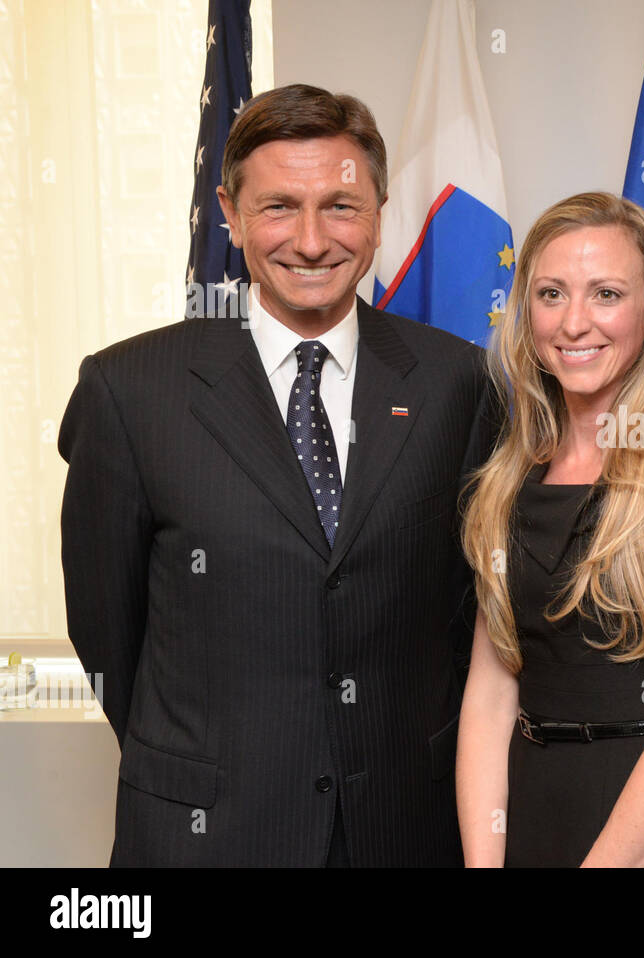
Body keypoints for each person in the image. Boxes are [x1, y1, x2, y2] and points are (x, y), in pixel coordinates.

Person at [58, 84, 497, 866]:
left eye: (340, 206)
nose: (311, 239)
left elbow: (468, 619)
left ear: (380, 212)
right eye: (278, 207)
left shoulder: (456, 382)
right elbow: (108, 635)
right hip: (207, 835)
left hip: (402, 829)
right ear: (228, 214)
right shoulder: (130, 391)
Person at [455, 192, 644, 867]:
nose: (575, 322)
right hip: (527, 811)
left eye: (607, 294)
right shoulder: (512, 471)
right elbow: (492, 697)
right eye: (551, 293)